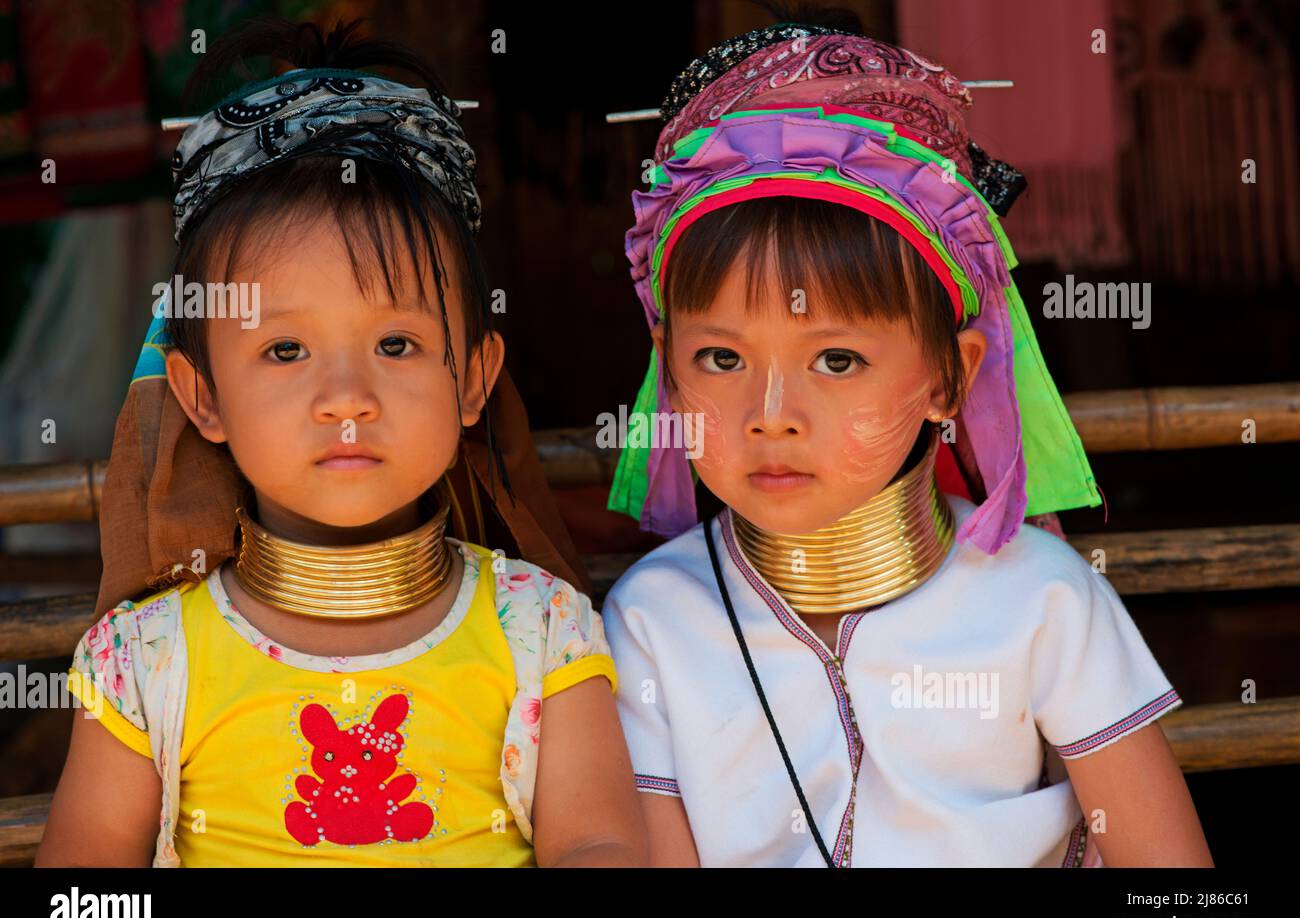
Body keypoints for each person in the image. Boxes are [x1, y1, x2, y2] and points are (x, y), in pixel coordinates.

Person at [602, 12, 1212, 867]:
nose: (771, 412)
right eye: (722, 356)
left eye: (838, 358)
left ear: (948, 379)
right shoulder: (653, 620)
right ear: (668, 365)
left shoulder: (1044, 603)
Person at [37, 19, 645, 868]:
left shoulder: (542, 633)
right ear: (201, 394)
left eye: (395, 345)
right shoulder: (145, 662)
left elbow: (602, 842)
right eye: (284, 350)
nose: (347, 398)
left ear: (472, 378)